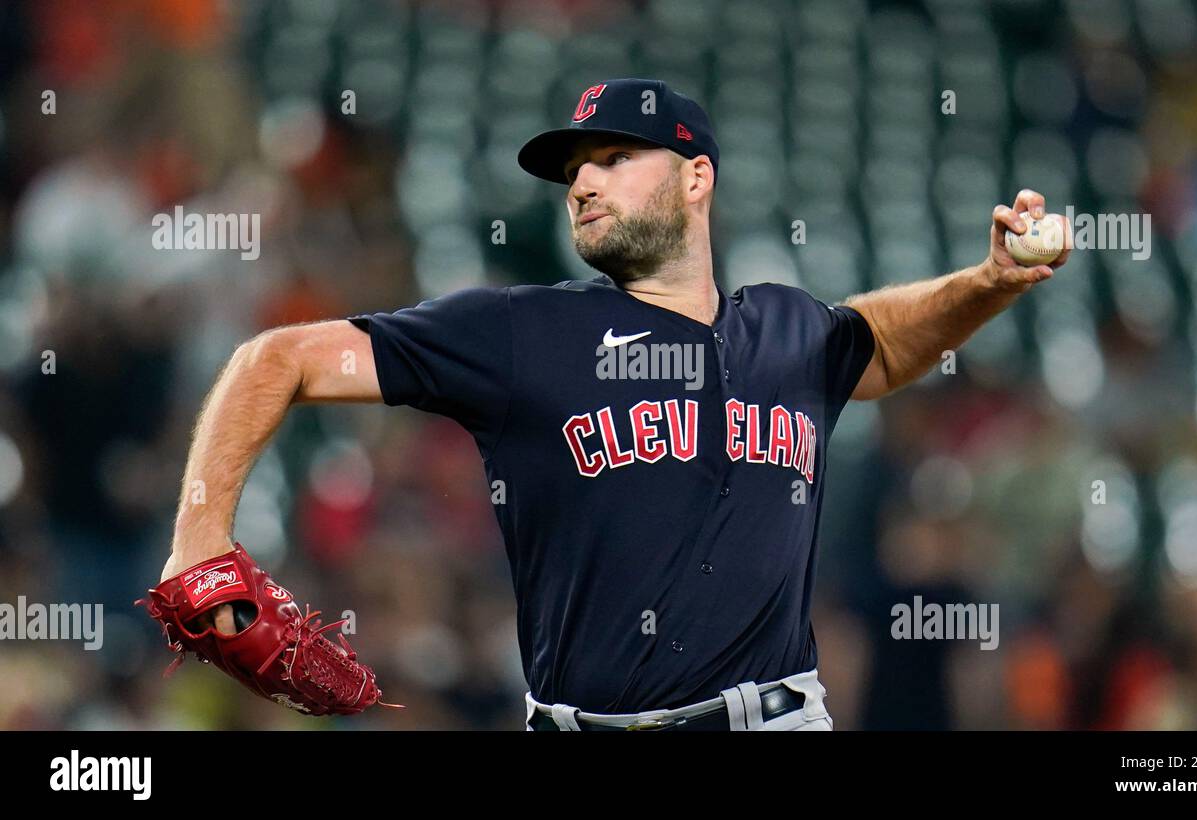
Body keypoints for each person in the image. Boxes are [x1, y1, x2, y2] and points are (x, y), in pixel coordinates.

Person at [161, 78, 1068, 730]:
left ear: (696, 179)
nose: (584, 182)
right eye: (575, 171)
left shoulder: (793, 336)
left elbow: (884, 341)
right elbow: (276, 359)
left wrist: (993, 279)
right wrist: (201, 541)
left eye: (614, 157)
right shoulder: (520, 334)